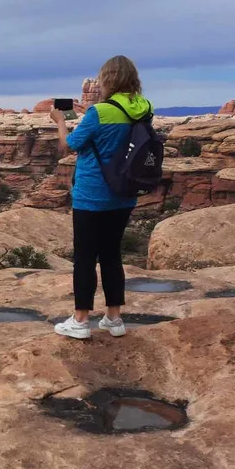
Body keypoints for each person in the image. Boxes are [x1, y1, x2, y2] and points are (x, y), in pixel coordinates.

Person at [50, 55, 153, 340]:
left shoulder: (100, 113)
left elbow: (69, 145)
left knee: (84, 257)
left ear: (107, 80)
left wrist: (60, 121)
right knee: (111, 255)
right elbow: (116, 132)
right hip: (124, 193)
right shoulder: (143, 109)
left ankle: (81, 321)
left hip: (92, 194)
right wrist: (90, 114)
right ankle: (114, 318)